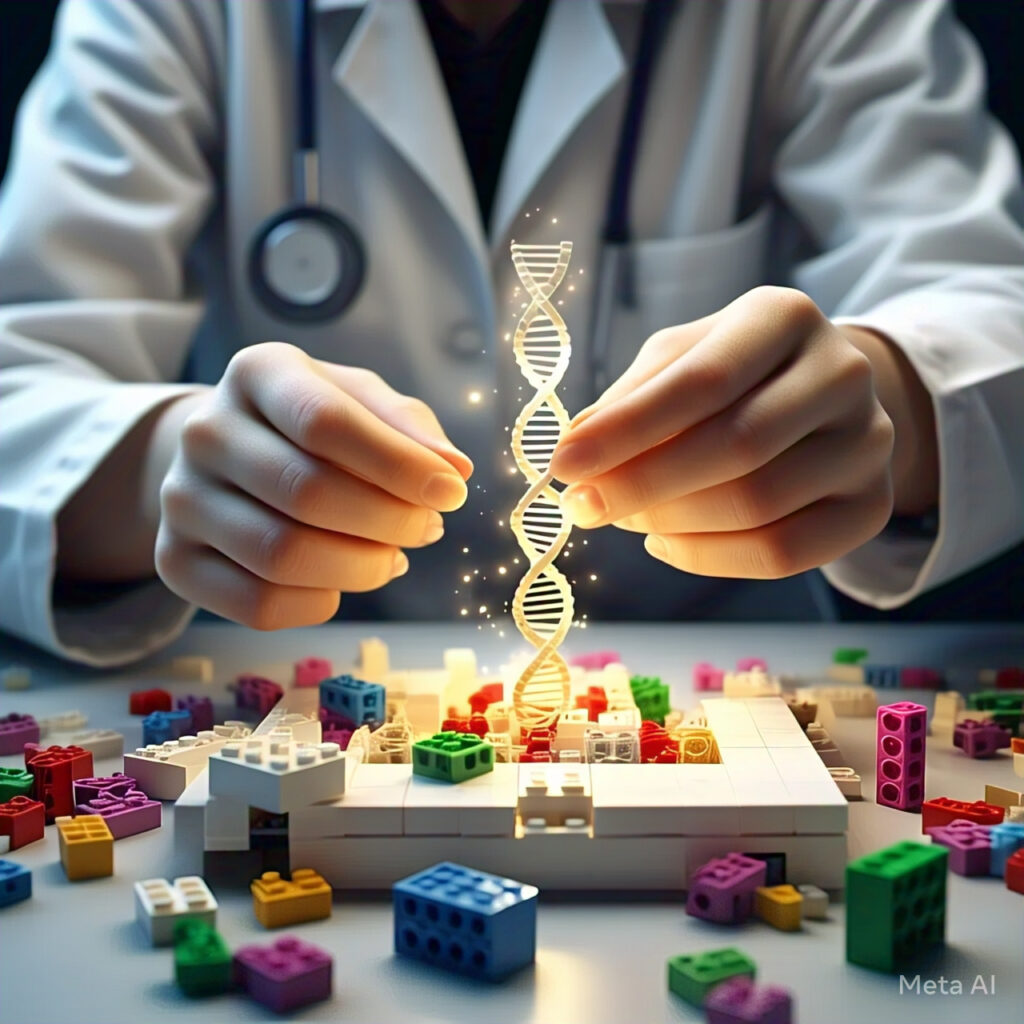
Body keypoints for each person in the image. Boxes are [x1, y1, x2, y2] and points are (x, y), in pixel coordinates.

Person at [0, 0, 1022, 668]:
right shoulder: (164, 18)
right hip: (290, 685)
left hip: (726, 674)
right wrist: (164, 471)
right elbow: (21, 380)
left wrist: (886, 398)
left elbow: (986, 304)